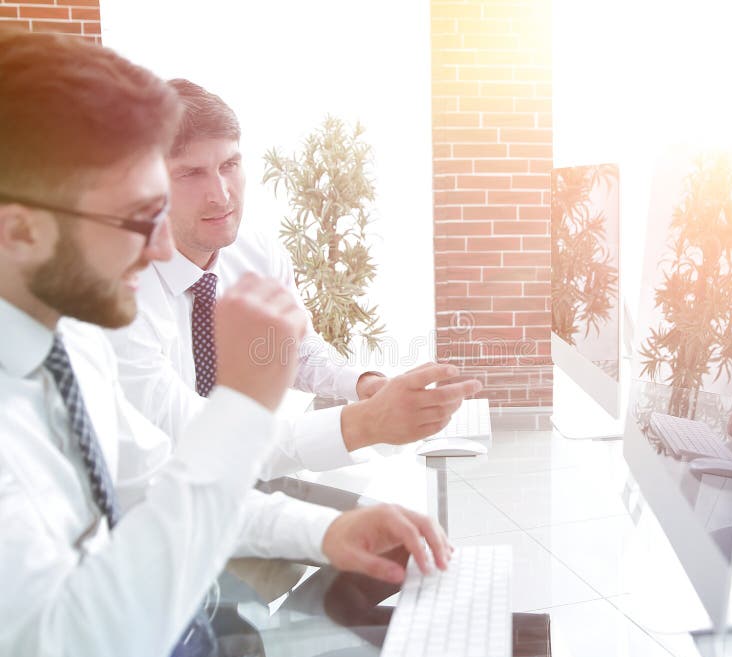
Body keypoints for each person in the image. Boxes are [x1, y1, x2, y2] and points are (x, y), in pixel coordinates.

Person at [0, 30, 450, 657]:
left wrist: (324, 533)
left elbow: (158, 484)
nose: (160, 252)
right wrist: (247, 404)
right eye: (133, 220)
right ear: (19, 230)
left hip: (190, 597)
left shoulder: (71, 341)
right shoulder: (94, 335)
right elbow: (72, 655)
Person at [106, 79, 481, 478]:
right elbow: (192, 435)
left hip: (244, 484)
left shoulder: (256, 251)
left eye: (229, 165)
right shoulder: (116, 288)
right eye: (190, 173)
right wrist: (365, 422)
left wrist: (363, 384)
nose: (221, 195)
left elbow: (292, 348)